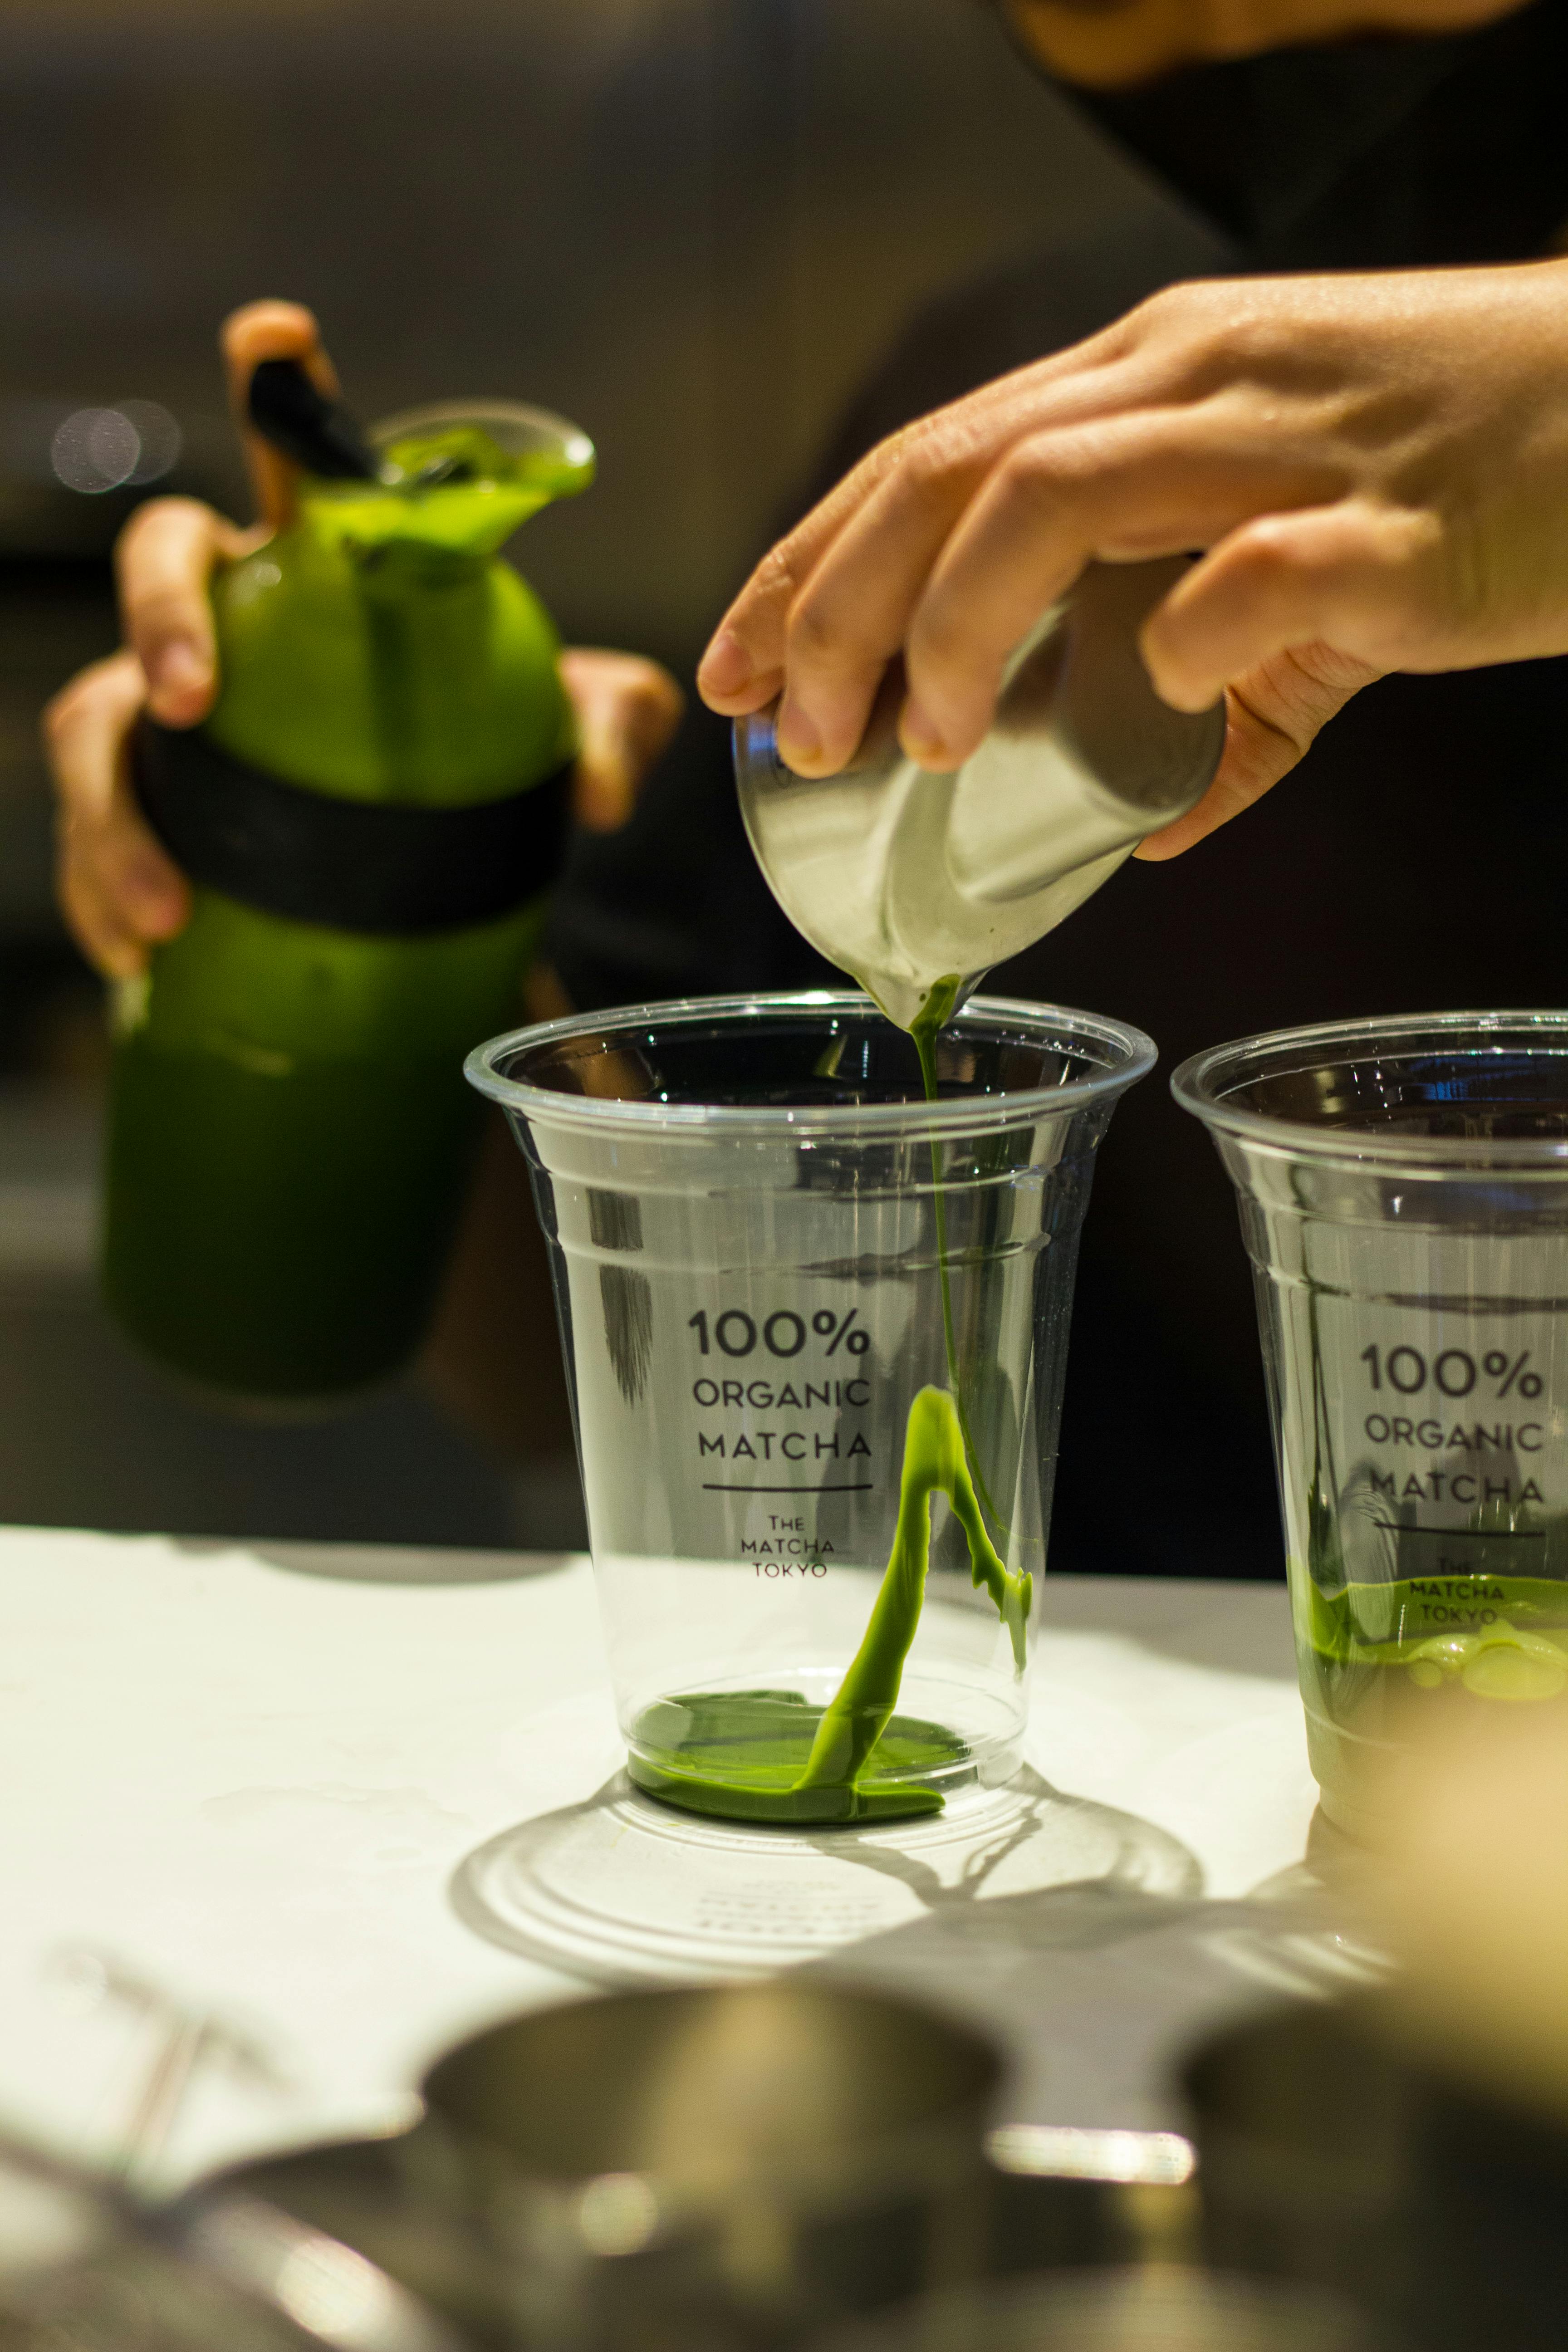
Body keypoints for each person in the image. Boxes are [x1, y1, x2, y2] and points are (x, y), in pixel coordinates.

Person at [44, 0, 1568, 1573]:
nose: (1235, 24)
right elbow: (612, 1365)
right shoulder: (1029, 455)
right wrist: (372, 869)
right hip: (1048, 1757)